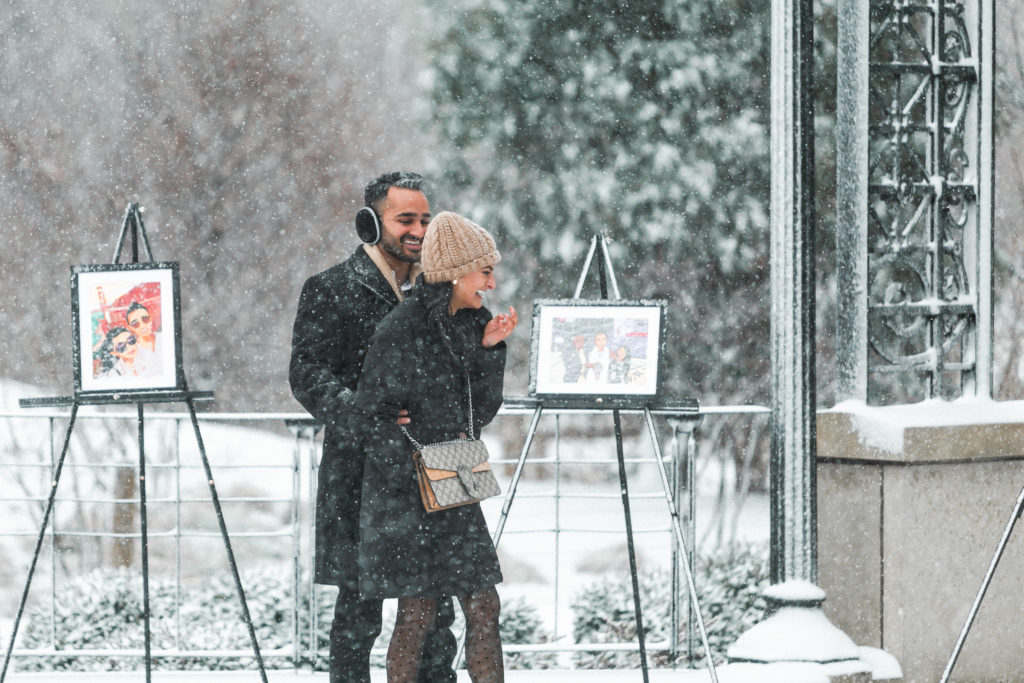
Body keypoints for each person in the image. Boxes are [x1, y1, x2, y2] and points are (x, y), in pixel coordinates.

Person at [289, 172, 457, 682]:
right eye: (405, 219)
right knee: (358, 610)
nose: (419, 230)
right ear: (370, 222)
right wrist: (361, 411)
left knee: (439, 611)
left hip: (439, 463)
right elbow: (307, 374)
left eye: (426, 219)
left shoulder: (446, 290)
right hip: (362, 467)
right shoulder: (329, 288)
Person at [352, 211, 517, 683]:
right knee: (417, 611)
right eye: (484, 270)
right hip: (406, 494)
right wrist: (404, 457)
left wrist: (488, 351)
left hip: (454, 486)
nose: (491, 281)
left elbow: (479, 415)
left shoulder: (472, 323)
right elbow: (371, 415)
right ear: (456, 270)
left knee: (484, 604)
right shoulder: (401, 328)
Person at [124, 301, 161, 376]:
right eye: (135, 324)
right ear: (131, 328)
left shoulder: (164, 338)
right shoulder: (133, 351)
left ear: (150, 319)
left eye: (145, 319)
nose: (142, 325)